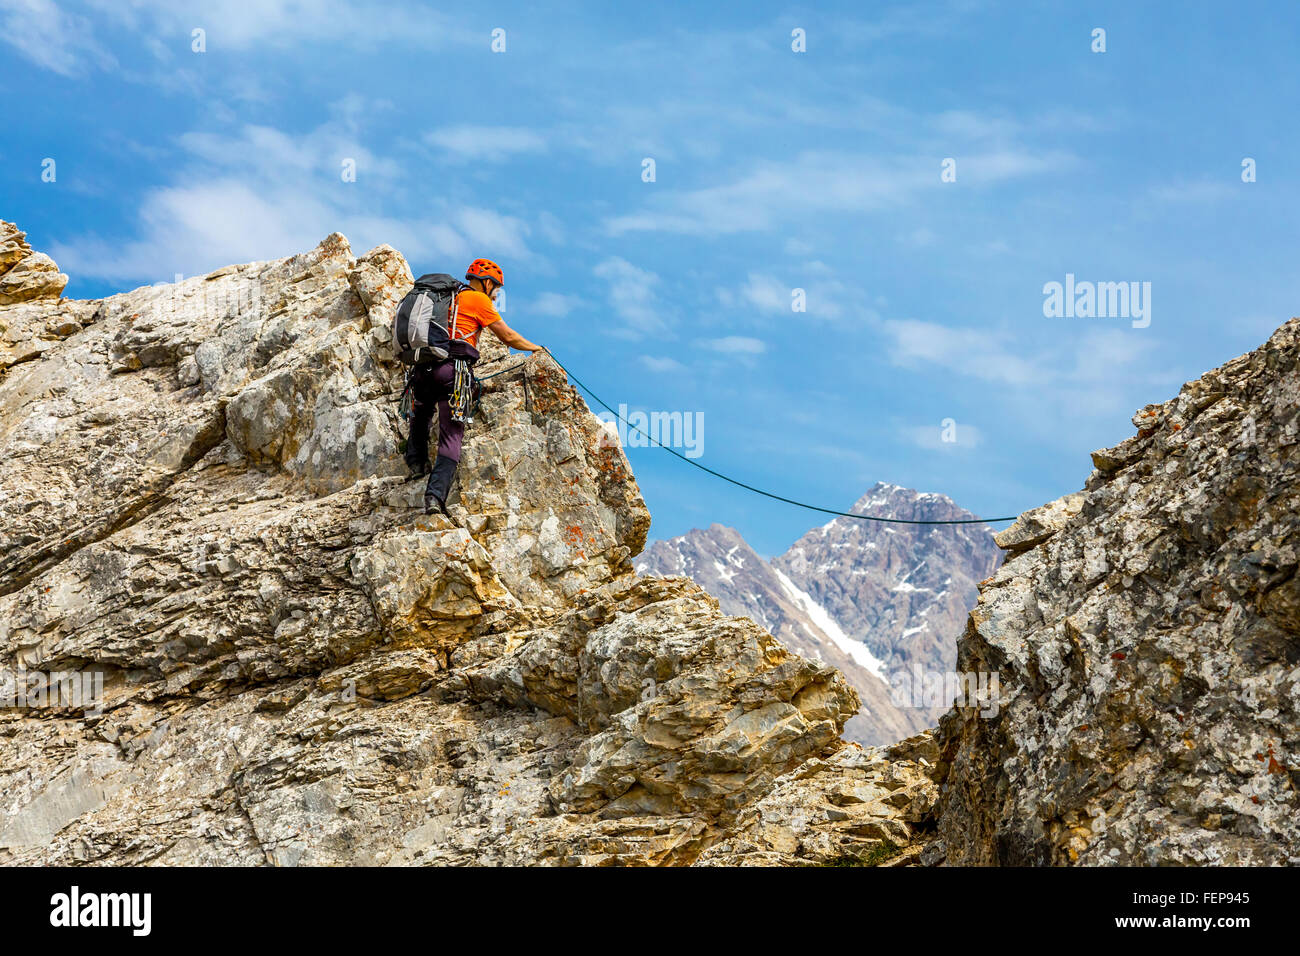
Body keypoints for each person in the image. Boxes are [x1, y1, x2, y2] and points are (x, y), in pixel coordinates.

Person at [404, 258, 543, 515]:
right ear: (488, 283)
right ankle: (434, 497)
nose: (496, 294)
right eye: (496, 289)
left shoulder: (445, 298)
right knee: (451, 433)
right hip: (452, 372)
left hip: (421, 369)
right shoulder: (479, 300)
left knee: (421, 412)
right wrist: (537, 349)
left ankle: (415, 464)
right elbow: (508, 336)